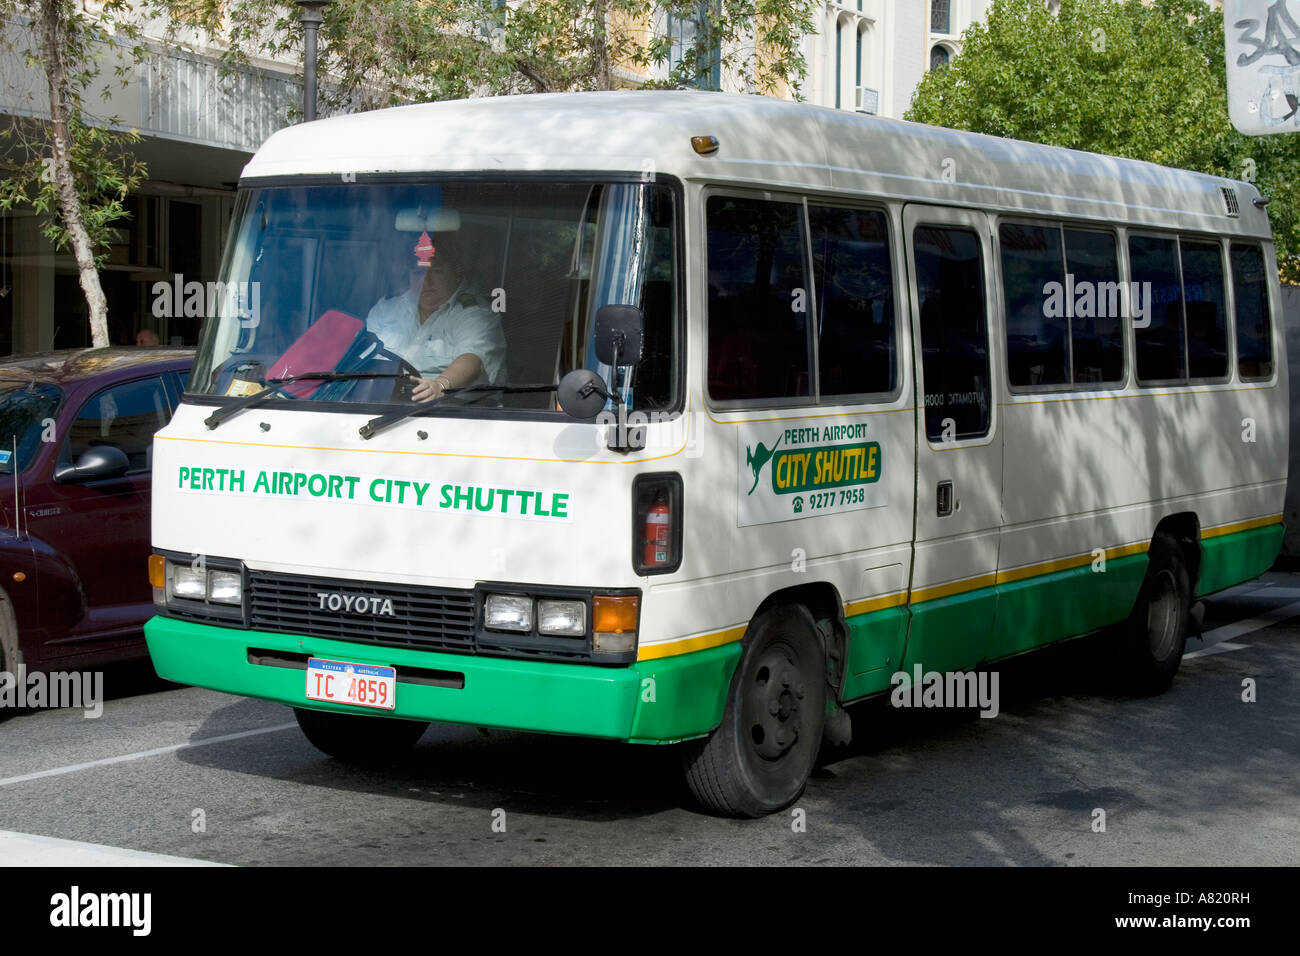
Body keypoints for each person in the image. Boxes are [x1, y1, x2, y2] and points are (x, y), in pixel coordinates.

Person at [365, 235, 505, 402]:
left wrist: (440, 385)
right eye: (418, 272)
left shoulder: (475, 313)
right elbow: (358, 356)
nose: (426, 280)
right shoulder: (386, 310)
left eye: (436, 271)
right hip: (378, 407)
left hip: (455, 414)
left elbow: (472, 359)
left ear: (456, 271)